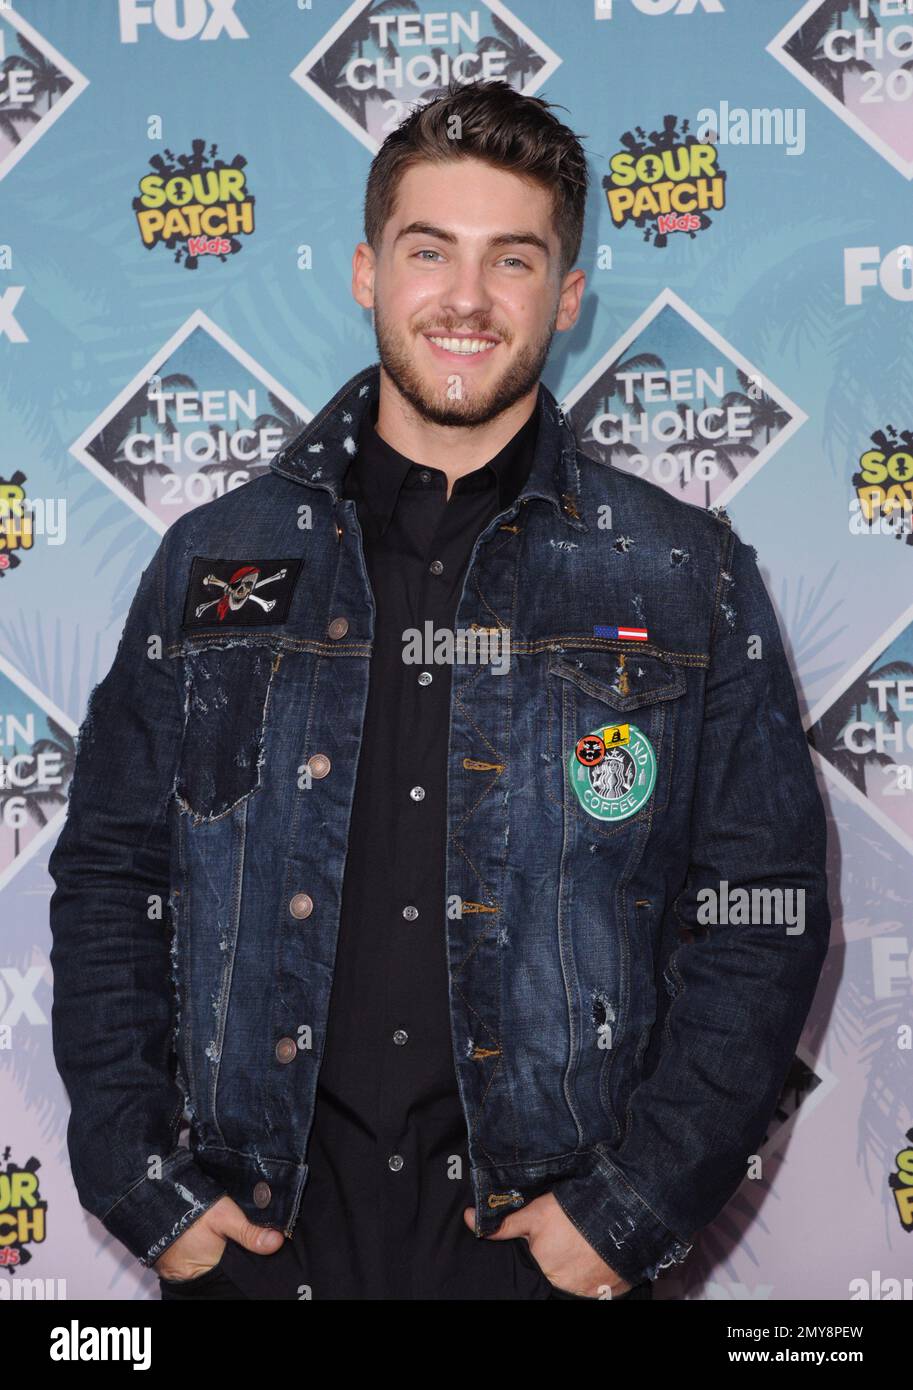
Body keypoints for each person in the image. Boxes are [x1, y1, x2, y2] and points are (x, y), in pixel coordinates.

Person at [48, 78, 830, 1302]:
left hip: (536, 1253)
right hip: (260, 1248)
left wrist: (627, 1211)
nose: (466, 298)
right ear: (367, 272)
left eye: (511, 259)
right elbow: (110, 875)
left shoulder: (683, 574)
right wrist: (148, 1188)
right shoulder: (215, 559)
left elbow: (760, 910)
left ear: (566, 297)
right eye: (429, 251)